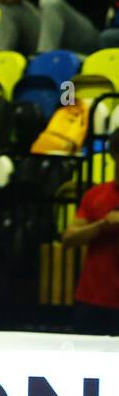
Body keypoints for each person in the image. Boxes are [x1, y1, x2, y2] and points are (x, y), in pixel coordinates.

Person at [63, 128, 119, 335]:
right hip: (93, 300)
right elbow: (69, 237)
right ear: (114, 155)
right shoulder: (96, 195)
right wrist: (102, 225)